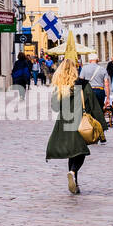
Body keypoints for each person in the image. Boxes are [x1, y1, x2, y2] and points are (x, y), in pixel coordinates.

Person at [45, 57, 105, 195]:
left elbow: (54, 107)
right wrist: (101, 125)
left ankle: (75, 181)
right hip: (80, 121)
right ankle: (72, 172)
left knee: (73, 151)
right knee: (81, 151)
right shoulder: (82, 84)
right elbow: (92, 104)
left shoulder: (59, 87)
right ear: (75, 69)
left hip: (65, 123)